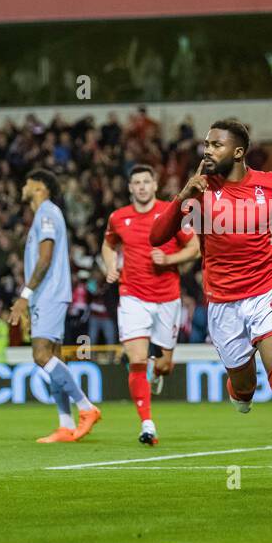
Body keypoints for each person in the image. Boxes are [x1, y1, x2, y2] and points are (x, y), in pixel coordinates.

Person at [150, 119, 272, 500]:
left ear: (238, 152)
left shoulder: (271, 184)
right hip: (223, 303)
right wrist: (181, 197)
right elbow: (156, 237)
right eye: (206, 144)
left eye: (216, 145)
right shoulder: (200, 190)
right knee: (244, 388)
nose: (207, 150)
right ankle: (240, 390)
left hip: (267, 292)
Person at [101, 164, 200, 446]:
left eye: (147, 182)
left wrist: (168, 260)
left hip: (167, 297)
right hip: (132, 296)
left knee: (165, 365)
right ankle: (147, 423)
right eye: (137, 182)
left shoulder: (170, 213)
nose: (142, 186)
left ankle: (158, 373)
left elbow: (195, 248)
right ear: (130, 188)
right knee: (137, 360)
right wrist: (111, 266)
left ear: (155, 186)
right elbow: (108, 245)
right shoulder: (118, 218)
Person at [9, 170, 101, 443]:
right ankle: (65, 424)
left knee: (41, 356)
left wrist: (25, 295)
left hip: (47, 294)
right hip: (51, 294)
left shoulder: (46, 213)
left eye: (27, 181)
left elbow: (45, 258)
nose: (23, 186)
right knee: (55, 358)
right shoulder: (45, 214)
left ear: (40, 186)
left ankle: (86, 408)